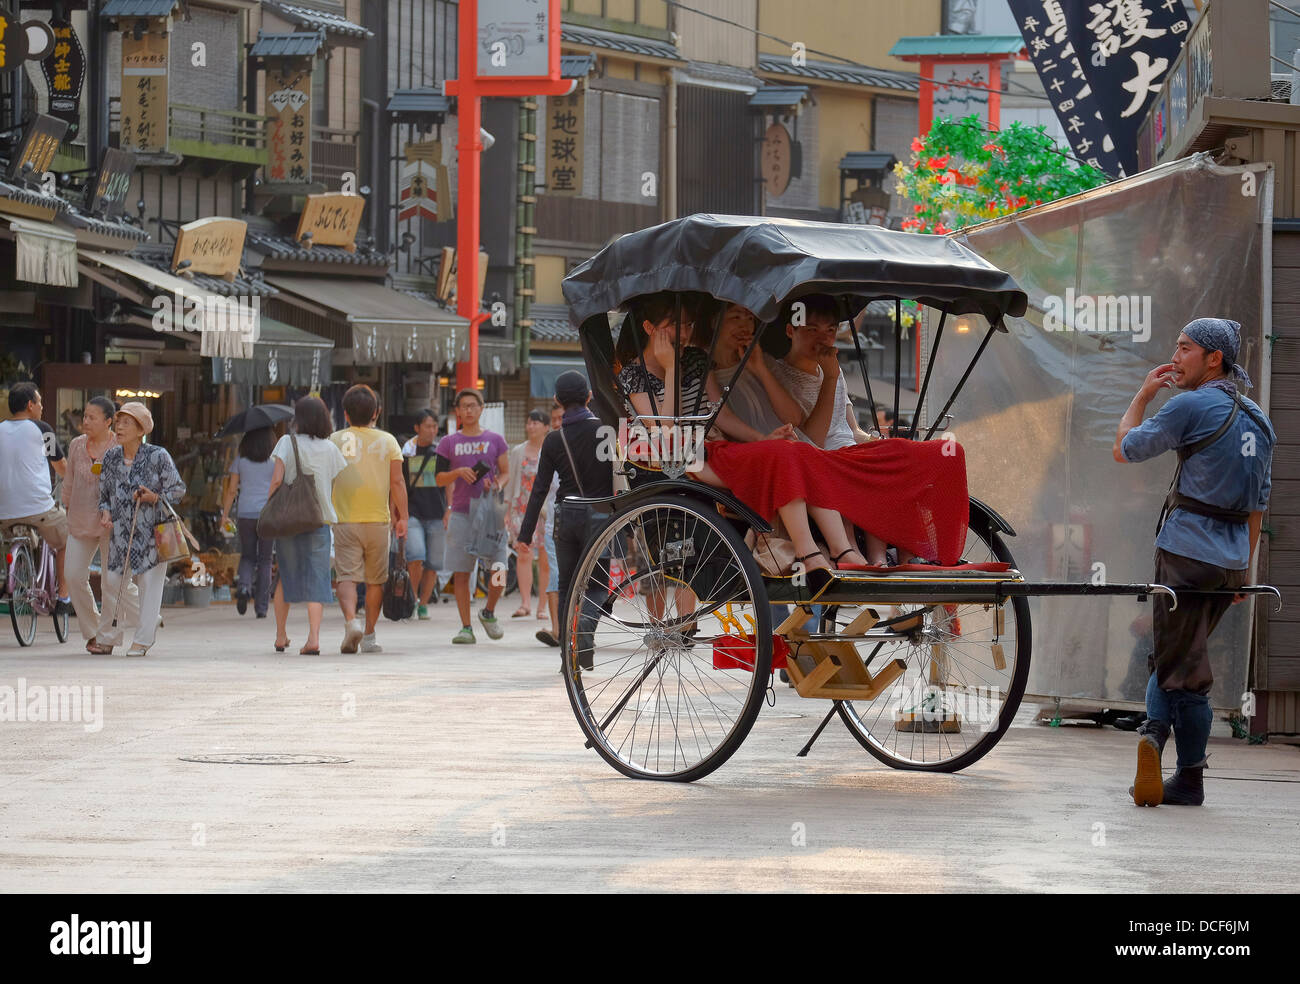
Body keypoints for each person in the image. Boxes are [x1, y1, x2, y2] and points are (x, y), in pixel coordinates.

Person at [1114, 318, 1274, 808]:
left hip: (1185, 555)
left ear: (1214, 359)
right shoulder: (1259, 421)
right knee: (1182, 658)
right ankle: (1181, 771)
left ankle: (1161, 746)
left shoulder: (1189, 405)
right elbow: (1257, 507)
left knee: (1179, 667)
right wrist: (1243, 571)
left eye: (1185, 348)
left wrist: (1143, 396)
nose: (1174, 356)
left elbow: (1125, 449)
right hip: (1229, 564)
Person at [515, 371, 613, 668]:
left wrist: (524, 534)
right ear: (589, 396)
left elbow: (539, 490)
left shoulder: (554, 440)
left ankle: (566, 660)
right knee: (597, 584)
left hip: (566, 516)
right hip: (601, 516)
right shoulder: (606, 431)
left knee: (567, 586)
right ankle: (586, 627)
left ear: (557, 400)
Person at [96, 402, 186, 657]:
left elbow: (178, 489)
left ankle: (143, 640)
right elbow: (104, 494)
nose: (119, 427)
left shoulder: (158, 456)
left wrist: (155, 497)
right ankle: (120, 632)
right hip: (120, 533)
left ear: (140, 430)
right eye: (118, 422)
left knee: (149, 585)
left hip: (152, 532)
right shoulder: (111, 457)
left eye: (127, 423)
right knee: (113, 582)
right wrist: (105, 512)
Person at [329, 384, 408, 654]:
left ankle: (352, 621)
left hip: (344, 519)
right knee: (376, 580)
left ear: (345, 414)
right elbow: (397, 482)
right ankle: (370, 636)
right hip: (378, 520)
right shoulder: (388, 441)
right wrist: (403, 516)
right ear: (376, 412)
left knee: (346, 576)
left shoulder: (334, 440)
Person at [269, 396, 348, 656]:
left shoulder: (286, 442)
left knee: (285, 575)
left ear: (298, 419)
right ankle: (313, 638)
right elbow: (332, 485)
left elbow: (276, 481)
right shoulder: (331, 449)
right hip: (319, 520)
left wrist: (270, 511)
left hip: (288, 521)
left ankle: (281, 635)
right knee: (318, 577)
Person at [435, 389, 510, 644]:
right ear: (457, 411)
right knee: (462, 571)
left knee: (499, 568)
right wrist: (458, 473)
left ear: (481, 408)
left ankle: (488, 611)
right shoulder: (448, 442)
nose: (468, 410)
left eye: (472, 405)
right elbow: (438, 478)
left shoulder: (496, 440)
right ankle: (466, 627)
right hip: (461, 513)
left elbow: (505, 472)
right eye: (463, 406)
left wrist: (497, 484)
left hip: (491, 514)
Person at [65, 397, 139, 654]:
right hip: (80, 519)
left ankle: (108, 638)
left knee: (112, 582)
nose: (85, 421)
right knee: (73, 575)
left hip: (114, 523)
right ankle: (92, 630)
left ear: (108, 421)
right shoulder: (76, 445)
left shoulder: (120, 446)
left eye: (92, 417)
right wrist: (66, 506)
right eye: (84, 416)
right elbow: (69, 481)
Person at [0, 382, 72, 613]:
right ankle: (64, 597)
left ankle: (13, 574)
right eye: (39, 402)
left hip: (3, 512)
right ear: (30, 405)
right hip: (38, 508)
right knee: (68, 538)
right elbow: (61, 466)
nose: (42, 406)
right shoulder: (42, 429)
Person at [219, 425, 277, 618]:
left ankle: (244, 587)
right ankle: (261, 608)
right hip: (267, 514)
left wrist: (225, 515)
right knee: (265, 560)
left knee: (247, 556)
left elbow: (231, 490)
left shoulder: (240, 460)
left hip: (245, 514)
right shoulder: (275, 461)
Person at [504, 409, 552, 620]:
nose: (531, 426)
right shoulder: (518, 451)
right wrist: (507, 511)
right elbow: (511, 481)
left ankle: (542, 606)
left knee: (545, 559)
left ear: (546, 427)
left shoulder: (551, 449)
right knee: (524, 554)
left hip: (545, 511)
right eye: (529, 422)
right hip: (521, 508)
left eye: (536, 422)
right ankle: (525, 603)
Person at [401, 409, 447, 620]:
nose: (432, 430)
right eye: (427, 426)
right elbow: (398, 483)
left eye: (435, 426)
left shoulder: (441, 452)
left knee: (433, 563)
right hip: (413, 512)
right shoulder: (406, 452)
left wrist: (449, 509)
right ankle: (412, 600)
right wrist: (397, 514)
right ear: (417, 428)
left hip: (437, 512)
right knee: (416, 556)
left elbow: (449, 483)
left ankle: (424, 604)